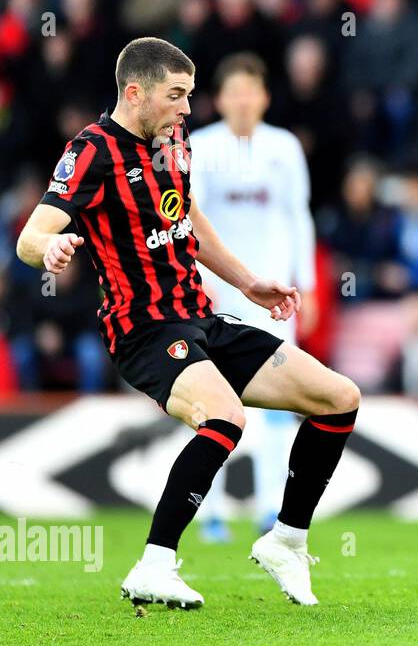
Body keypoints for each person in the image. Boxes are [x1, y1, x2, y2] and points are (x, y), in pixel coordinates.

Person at [13, 37, 360, 609]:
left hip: (202, 318)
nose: (187, 109)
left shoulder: (172, 141)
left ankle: (287, 540)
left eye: (190, 95)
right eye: (176, 96)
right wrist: (49, 249)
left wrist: (247, 282)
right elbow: (30, 236)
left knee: (338, 397)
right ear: (135, 93)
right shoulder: (93, 151)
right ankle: (155, 564)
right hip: (143, 329)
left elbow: (187, 219)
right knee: (226, 417)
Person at [189, 52, 319, 541]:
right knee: (213, 398)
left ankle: (270, 507)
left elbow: (299, 216)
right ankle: (210, 510)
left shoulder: (284, 148)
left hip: (274, 294)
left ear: (265, 96)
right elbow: (187, 220)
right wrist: (196, 279)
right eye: (234, 92)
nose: (243, 102)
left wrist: (306, 281)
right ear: (219, 99)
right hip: (217, 292)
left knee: (280, 401)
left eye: (252, 91)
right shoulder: (199, 147)